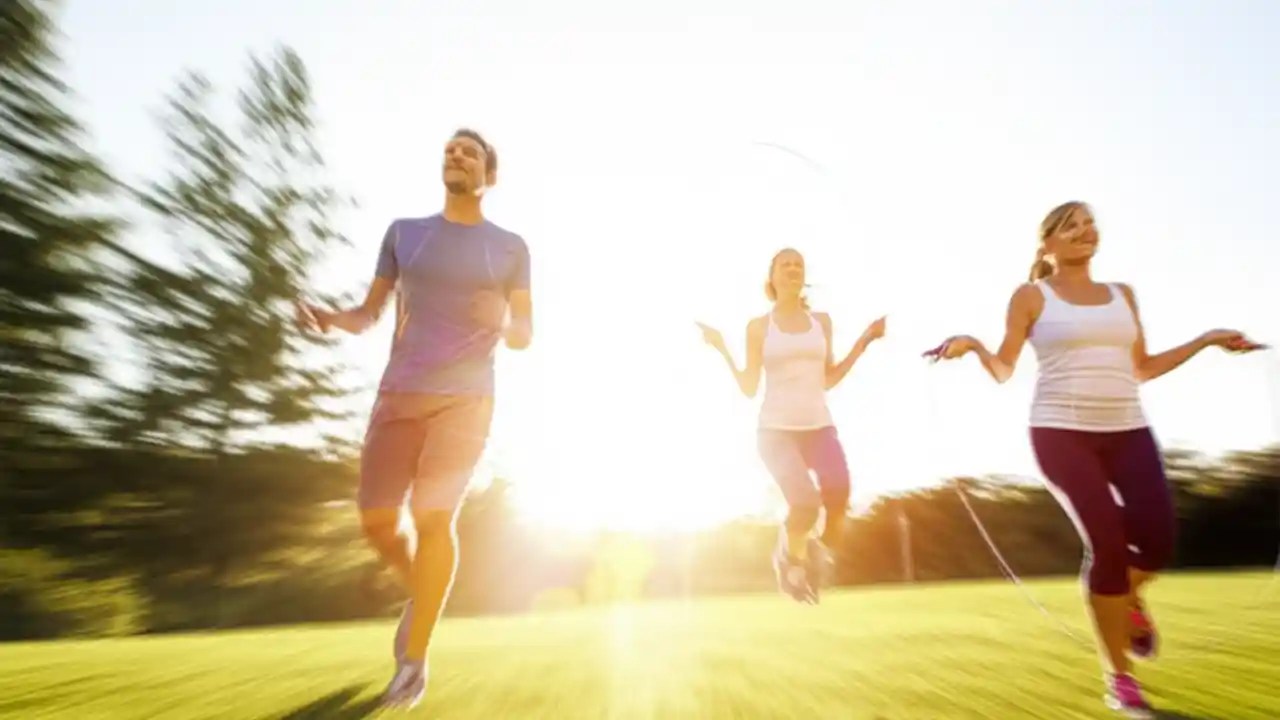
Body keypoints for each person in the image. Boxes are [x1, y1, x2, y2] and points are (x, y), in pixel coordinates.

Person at [923, 200, 1264, 718]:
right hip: (1060, 434)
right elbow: (1002, 369)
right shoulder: (1030, 297)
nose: (1084, 230)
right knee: (1106, 543)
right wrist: (971, 345)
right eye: (1070, 226)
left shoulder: (1122, 295)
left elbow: (1142, 368)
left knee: (1157, 539)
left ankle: (1126, 600)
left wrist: (1207, 340)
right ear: (1047, 246)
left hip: (1127, 430)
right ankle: (1120, 680)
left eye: (1088, 222)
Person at [295, 128, 532, 709]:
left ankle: (413, 662)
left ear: (489, 177)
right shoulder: (405, 234)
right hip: (399, 394)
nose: (456, 155)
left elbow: (525, 335)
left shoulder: (511, 248)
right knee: (377, 520)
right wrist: (332, 319)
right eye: (450, 149)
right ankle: (420, 593)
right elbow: (369, 313)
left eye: (470, 152)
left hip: (467, 398)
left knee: (432, 513)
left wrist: (499, 320)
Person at [697, 248, 886, 603]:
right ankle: (791, 562)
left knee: (839, 491)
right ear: (772, 278)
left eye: (798, 264)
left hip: (819, 428)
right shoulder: (758, 328)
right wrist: (722, 348)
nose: (793, 268)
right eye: (785, 264)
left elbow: (828, 379)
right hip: (775, 433)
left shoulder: (822, 323)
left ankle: (814, 552)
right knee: (804, 504)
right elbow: (749, 387)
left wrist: (864, 342)